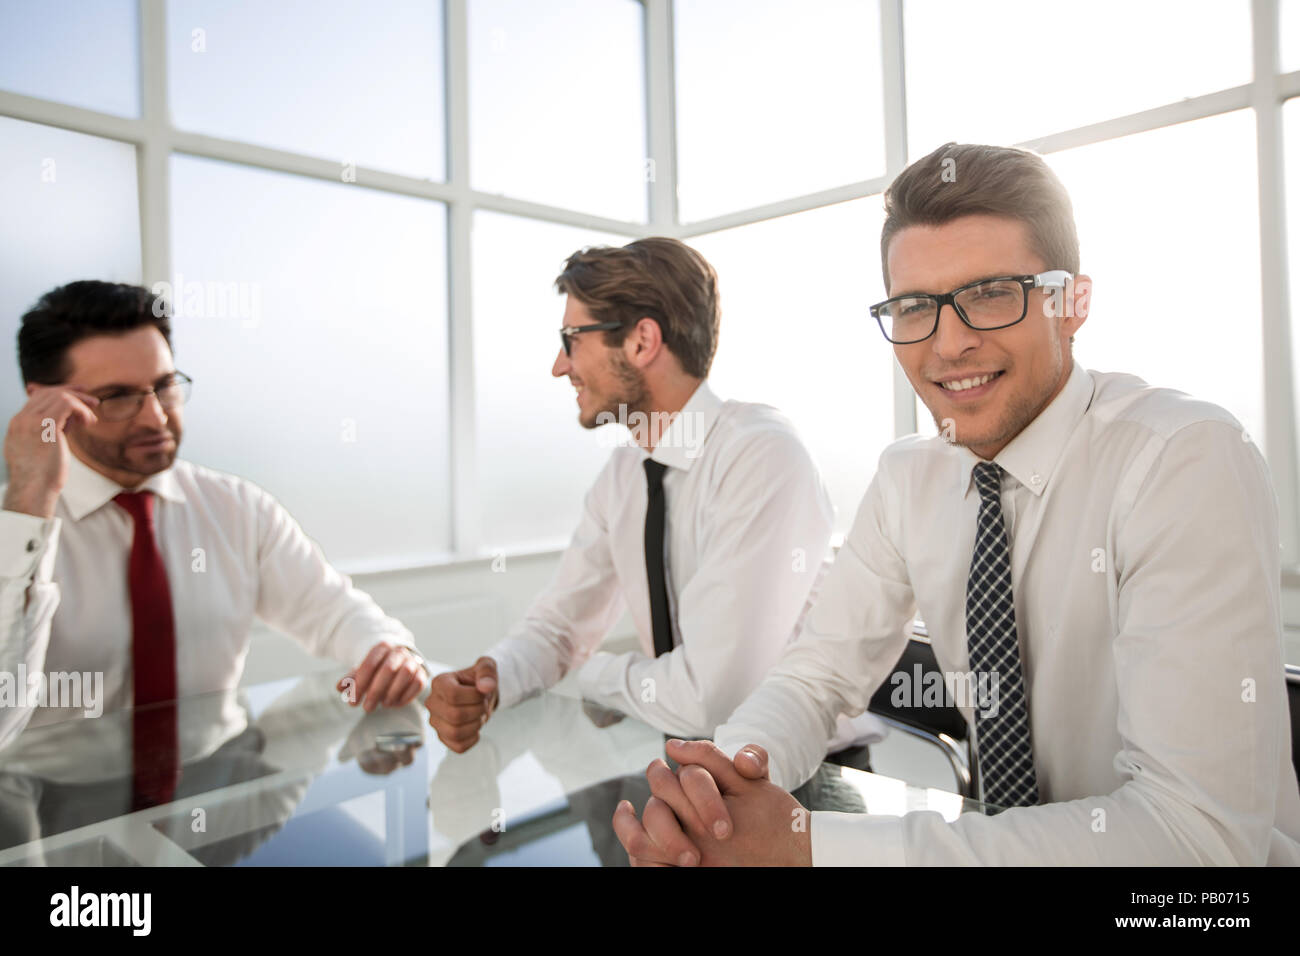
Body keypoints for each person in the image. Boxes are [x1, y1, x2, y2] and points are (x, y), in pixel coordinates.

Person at [612, 142, 1300, 866]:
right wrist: (713, 793)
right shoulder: (910, 476)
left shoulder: (1183, 459)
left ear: (1072, 304)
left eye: (992, 293)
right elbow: (816, 677)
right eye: (914, 307)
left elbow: (1197, 839)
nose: (950, 344)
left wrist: (812, 848)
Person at [423, 237, 882, 754]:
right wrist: (494, 676)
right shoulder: (624, 475)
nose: (559, 365)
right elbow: (559, 624)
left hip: (809, 781)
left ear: (642, 342)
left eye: (572, 338)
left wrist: (588, 677)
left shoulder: (762, 457)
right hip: (693, 769)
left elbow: (712, 701)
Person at [0, 281, 428, 781]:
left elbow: (332, 612)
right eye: (117, 397)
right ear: (42, 406)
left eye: (164, 385)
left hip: (218, 789)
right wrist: (29, 502)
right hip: (43, 817)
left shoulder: (236, 508)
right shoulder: (15, 526)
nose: (156, 416)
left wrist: (388, 651)